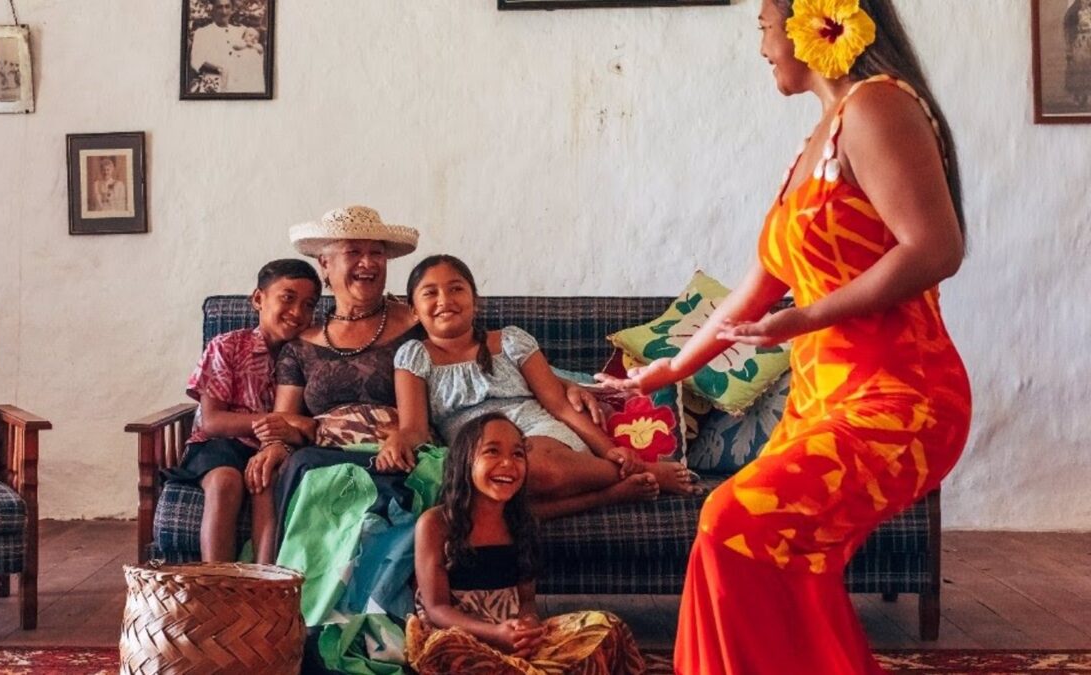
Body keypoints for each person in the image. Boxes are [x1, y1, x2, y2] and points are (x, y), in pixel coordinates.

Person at [596, 1, 972, 672]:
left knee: (733, 520)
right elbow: (750, 296)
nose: (762, 44)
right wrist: (661, 372)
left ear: (814, 21)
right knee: (774, 557)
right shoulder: (818, 140)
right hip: (824, 401)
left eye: (764, 24)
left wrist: (810, 316)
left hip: (898, 398)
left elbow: (936, 246)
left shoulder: (878, 106)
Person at [269, 206, 607, 520]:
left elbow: (483, 357)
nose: (368, 263)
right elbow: (284, 419)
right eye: (353, 252)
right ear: (324, 264)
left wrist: (567, 385)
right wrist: (273, 445)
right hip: (330, 455)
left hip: (407, 457)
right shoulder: (301, 342)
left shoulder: (419, 318)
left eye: (377, 253)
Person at [393, 254, 698, 519]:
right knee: (493, 496)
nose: (444, 300)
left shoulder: (511, 340)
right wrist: (397, 440)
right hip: (478, 450)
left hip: (538, 435)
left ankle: (626, 469)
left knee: (531, 468)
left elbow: (560, 404)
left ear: (475, 301)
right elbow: (415, 429)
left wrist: (611, 451)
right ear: (414, 310)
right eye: (430, 293)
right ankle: (614, 491)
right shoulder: (414, 356)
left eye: (456, 289)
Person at [407, 412, 647, 675]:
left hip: (511, 638)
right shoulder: (435, 524)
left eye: (518, 454)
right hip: (458, 636)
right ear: (465, 461)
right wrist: (494, 634)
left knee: (606, 627)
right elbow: (436, 609)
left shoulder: (523, 523)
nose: (508, 463)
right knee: (449, 651)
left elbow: (527, 603)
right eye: (492, 452)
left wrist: (529, 626)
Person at [164, 259, 321, 564]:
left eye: (309, 305)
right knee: (226, 482)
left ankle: (263, 582)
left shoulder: (310, 355)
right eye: (287, 298)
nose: (298, 313)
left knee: (266, 480)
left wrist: (286, 432)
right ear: (258, 299)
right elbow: (212, 421)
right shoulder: (227, 346)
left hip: (278, 447)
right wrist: (278, 421)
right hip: (220, 445)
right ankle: (219, 583)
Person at [188, 0, 264, 94]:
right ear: (213, 9)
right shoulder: (202, 33)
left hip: (240, 84)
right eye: (219, 7)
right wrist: (220, 69)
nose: (224, 12)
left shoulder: (242, 31)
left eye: (227, 7)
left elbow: (256, 54)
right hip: (213, 83)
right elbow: (196, 61)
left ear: (232, 9)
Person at [1066, 0, 1091, 107]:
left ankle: (1087, 96)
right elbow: (1069, 30)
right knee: (1078, 68)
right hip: (1080, 43)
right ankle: (1078, 96)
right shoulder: (1075, 12)